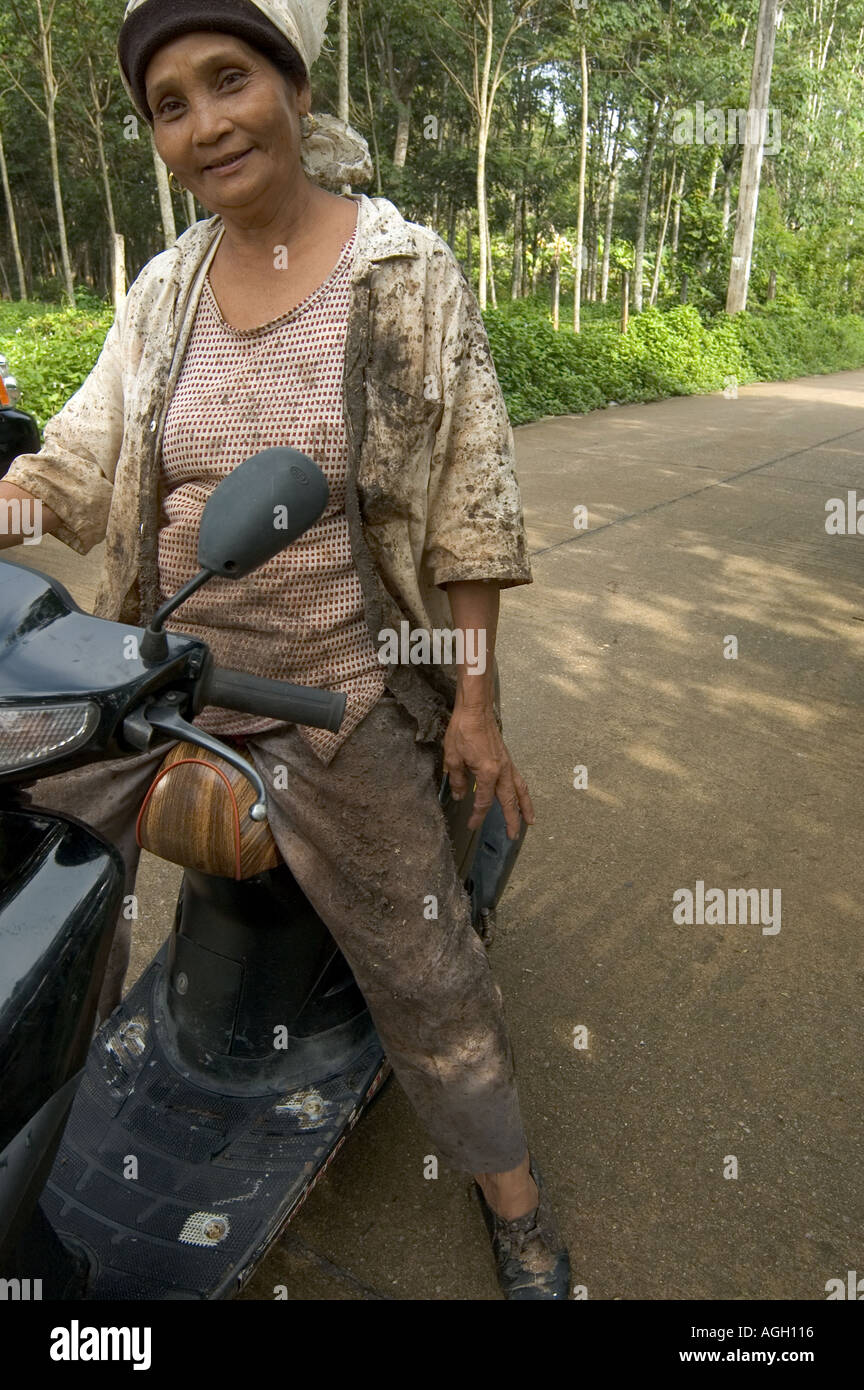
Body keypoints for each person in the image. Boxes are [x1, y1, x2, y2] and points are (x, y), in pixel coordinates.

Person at [0, 0, 570, 1300]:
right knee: (25, 840)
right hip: (159, 671)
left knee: (426, 966)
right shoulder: (166, 287)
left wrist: (473, 706)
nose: (204, 123)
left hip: (337, 698)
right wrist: (11, 502)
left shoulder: (403, 273)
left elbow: (471, 501)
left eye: (228, 79)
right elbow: (82, 459)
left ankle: (518, 1206)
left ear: (293, 87)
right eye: (170, 105)